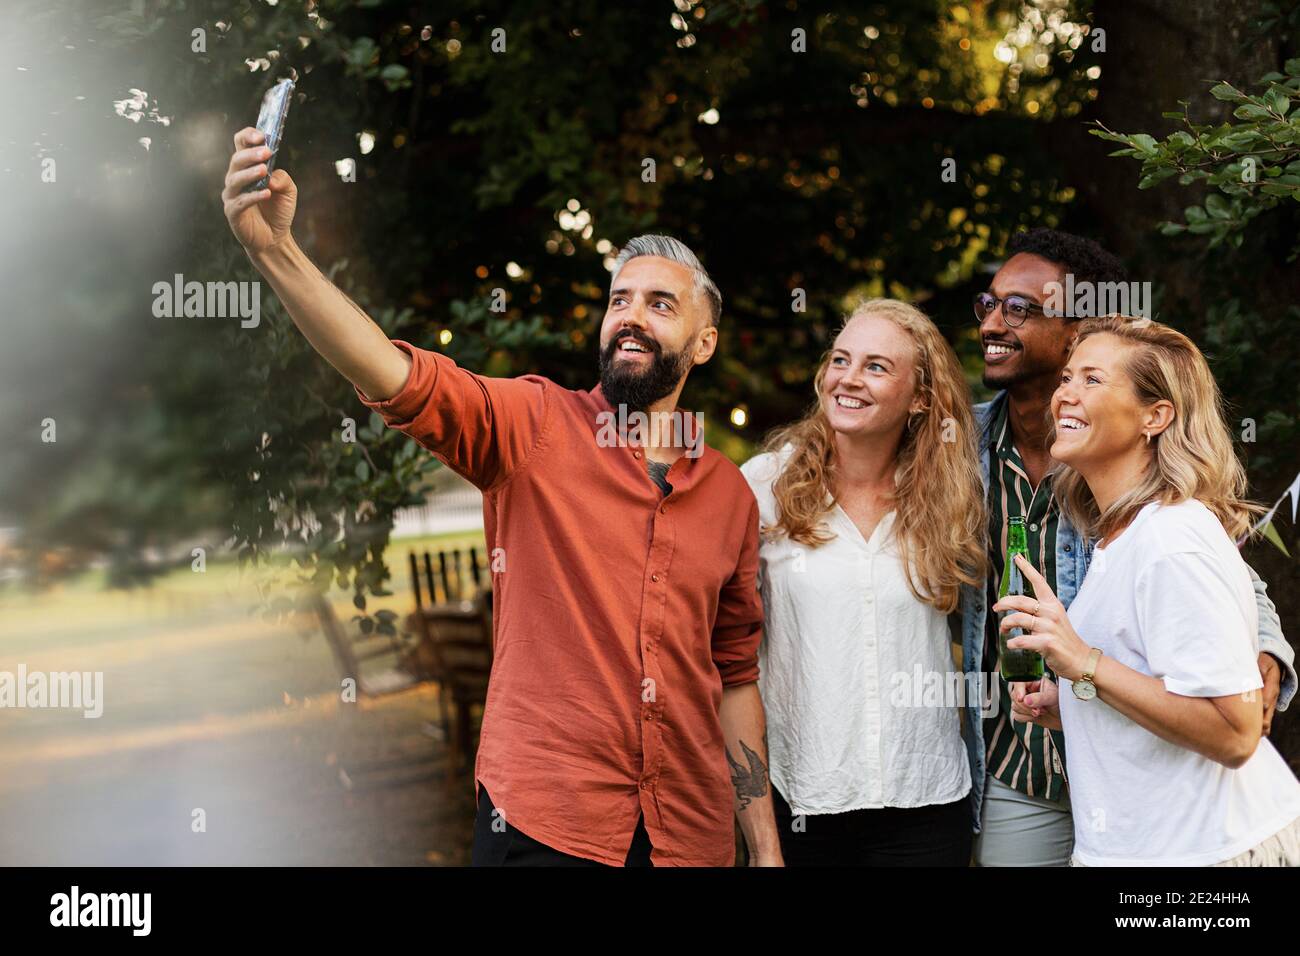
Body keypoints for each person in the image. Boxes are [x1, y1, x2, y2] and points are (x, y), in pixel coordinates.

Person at [221, 129, 783, 866]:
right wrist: (274, 252)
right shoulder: (535, 426)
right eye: (619, 301)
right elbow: (395, 375)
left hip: (689, 836)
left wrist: (766, 850)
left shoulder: (730, 499)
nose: (631, 317)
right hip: (546, 824)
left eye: (659, 304)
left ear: (703, 343)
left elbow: (733, 675)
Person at [959, 228, 1296, 866]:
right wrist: (1077, 694)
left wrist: (1262, 654)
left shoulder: (1166, 529)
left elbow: (1232, 711)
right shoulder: (966, 448)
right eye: (989, 302)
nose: (994, 322)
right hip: (1042, 772)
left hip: (1198, 843)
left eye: (1022, 308)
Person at [741, 299, 985, 865]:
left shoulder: (950, 499)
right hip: (803, 802)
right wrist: (761, 844)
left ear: (921, 397)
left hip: (925, 800)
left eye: (876, 366)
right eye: (841, 360)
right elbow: (731, 658)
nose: (848, 379)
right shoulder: (764, 489)